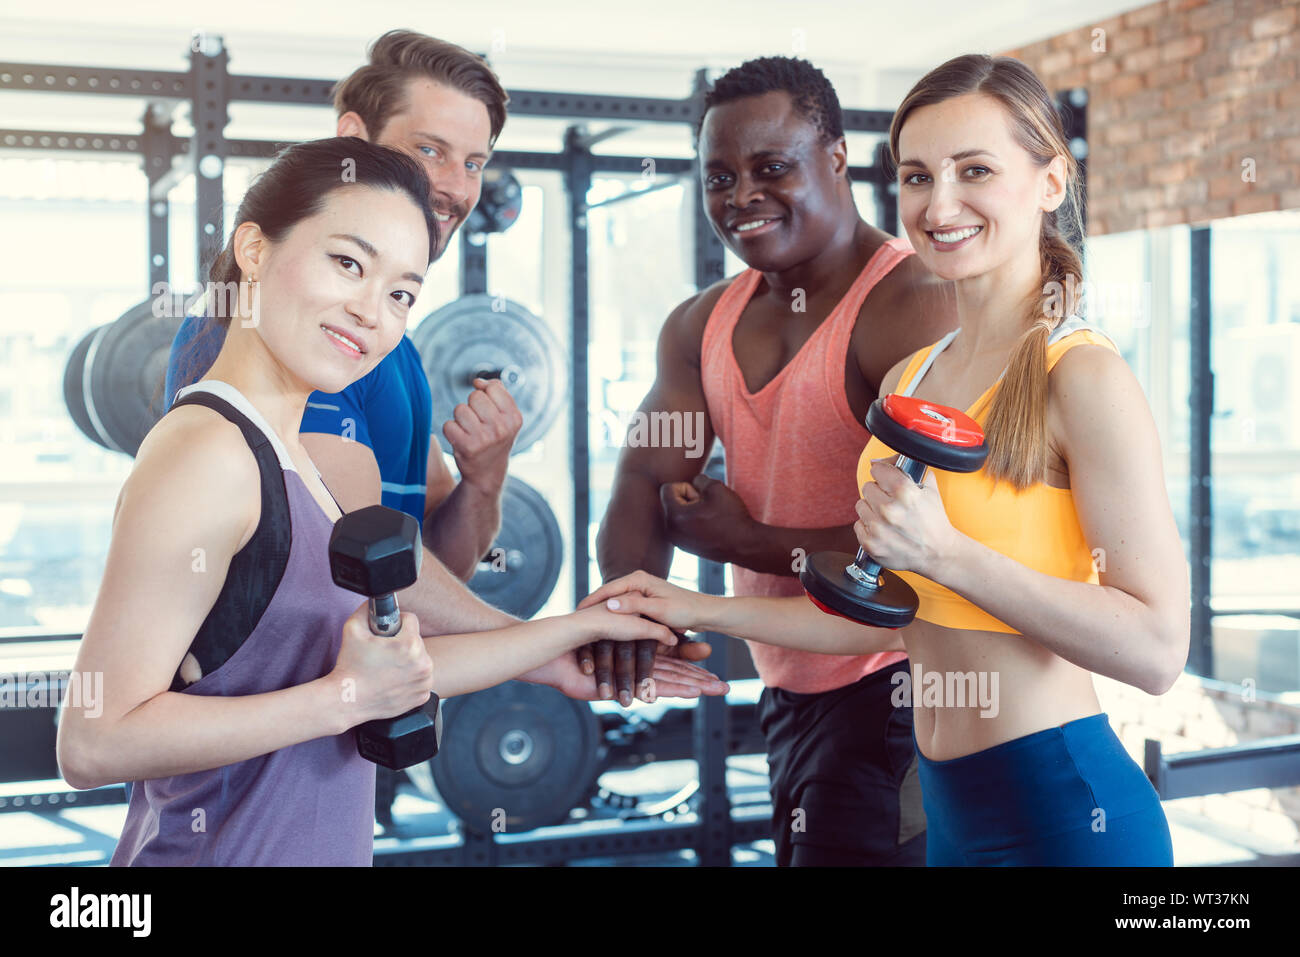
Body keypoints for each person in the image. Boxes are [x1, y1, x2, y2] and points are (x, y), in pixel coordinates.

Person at [586, 53, 1189, 866]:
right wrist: (695, 609)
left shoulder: (1081, 373)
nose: (940, 205)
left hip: (1062, 808)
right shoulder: (917, 375)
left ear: (1050, 181)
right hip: (954, 806)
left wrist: (949, 554)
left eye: (975, 171)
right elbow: (879, 609)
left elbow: (1156, 649)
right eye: (916, 176)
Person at [56, 138, 696, 867]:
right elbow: (93, 740)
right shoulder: (206, 451)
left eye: (401, 293)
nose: (372, 312)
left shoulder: (309, 455)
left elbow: (396, 667)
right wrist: (348, 698)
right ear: (255, 250)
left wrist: (557, 645)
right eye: (348, 263)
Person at [163, 30, 721, 705]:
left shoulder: (393, 349)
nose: (454, 187)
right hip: (245, 743)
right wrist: (553, 640)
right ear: (353, 138)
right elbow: (351, 544)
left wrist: (484, 480)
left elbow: (426, 570)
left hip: (345, 731)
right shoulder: (262, 326)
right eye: (429, 150)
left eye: (474, 162)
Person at [579, 56, 958, 866]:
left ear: (837, 157)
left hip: (898, 684)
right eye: (719, 177)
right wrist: (628, 614)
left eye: (771, 167)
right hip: (789, 685)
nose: (741, 195)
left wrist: (745, 541)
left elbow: (932, 544)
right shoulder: (699, 326)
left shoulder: (911, 303)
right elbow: (644, 484)